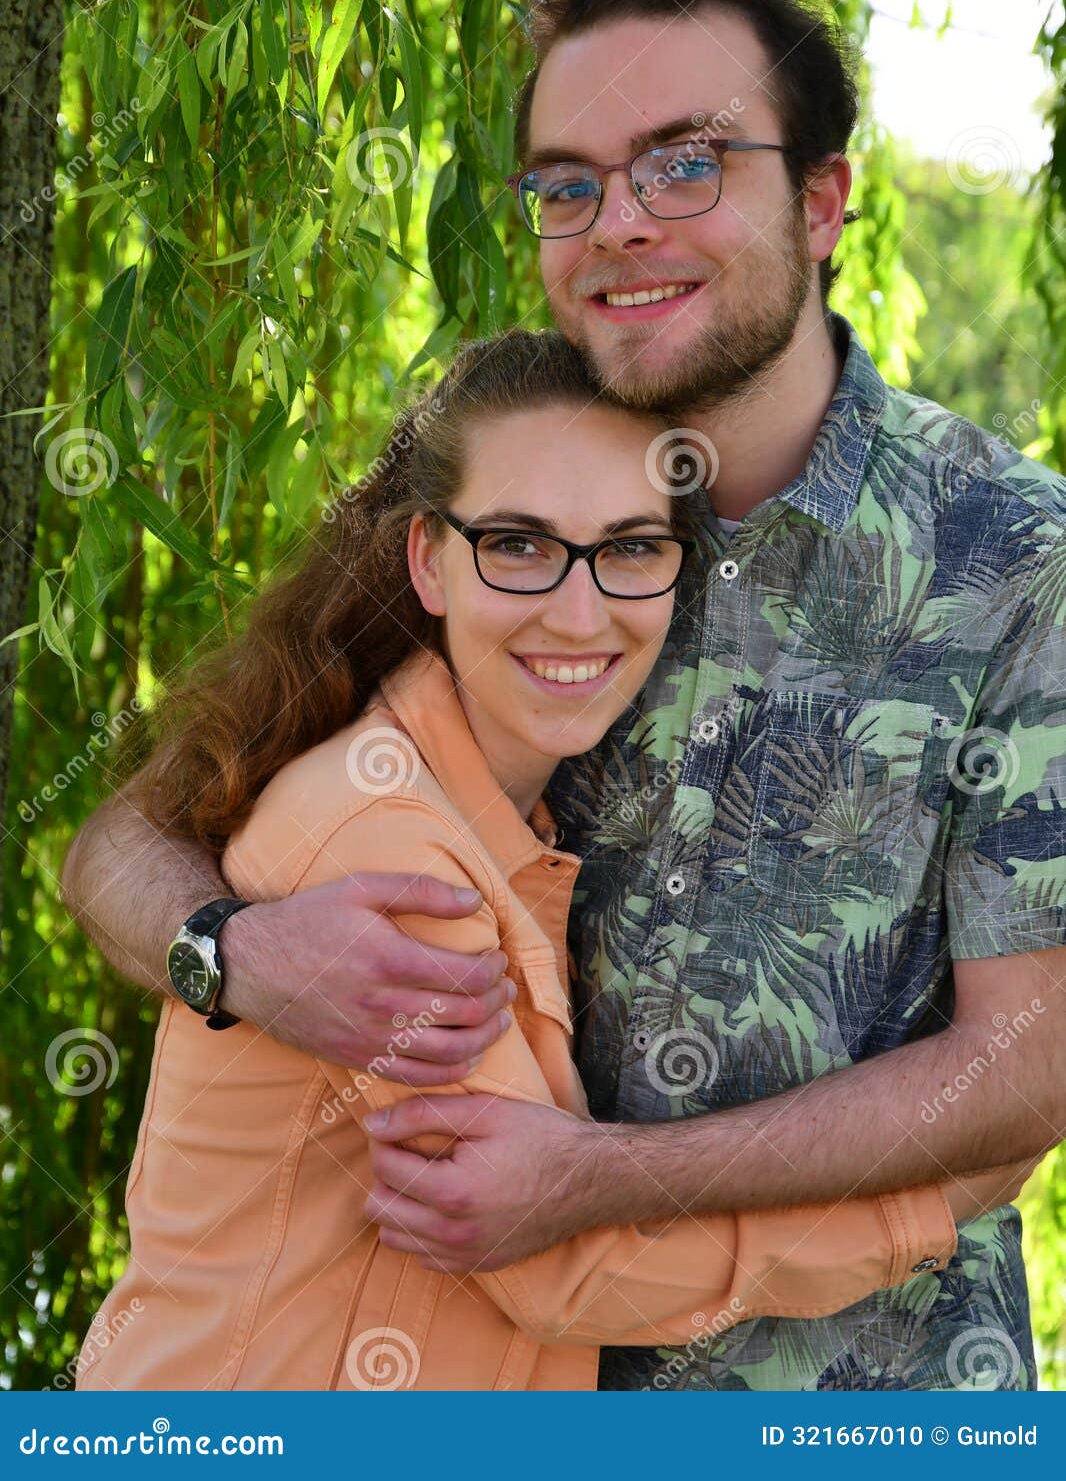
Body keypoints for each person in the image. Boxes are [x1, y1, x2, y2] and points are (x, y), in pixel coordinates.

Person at [63, 0, 1066, 1393]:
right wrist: (236, 953)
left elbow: (1027, 1056)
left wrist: (597, 1176)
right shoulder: (513, 467)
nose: (618, 224)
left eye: (684, 165)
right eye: (566, 182)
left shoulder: (1013, 555)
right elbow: (136, 831)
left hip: (863, 1390)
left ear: (823, 199)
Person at [74, 329, 989, 1391]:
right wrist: (940, 1196)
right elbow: (559, 1266)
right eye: (517, 544)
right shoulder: (384, 837)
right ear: (427, 557)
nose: (578, 611)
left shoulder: (520, 817)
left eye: (632, 548)